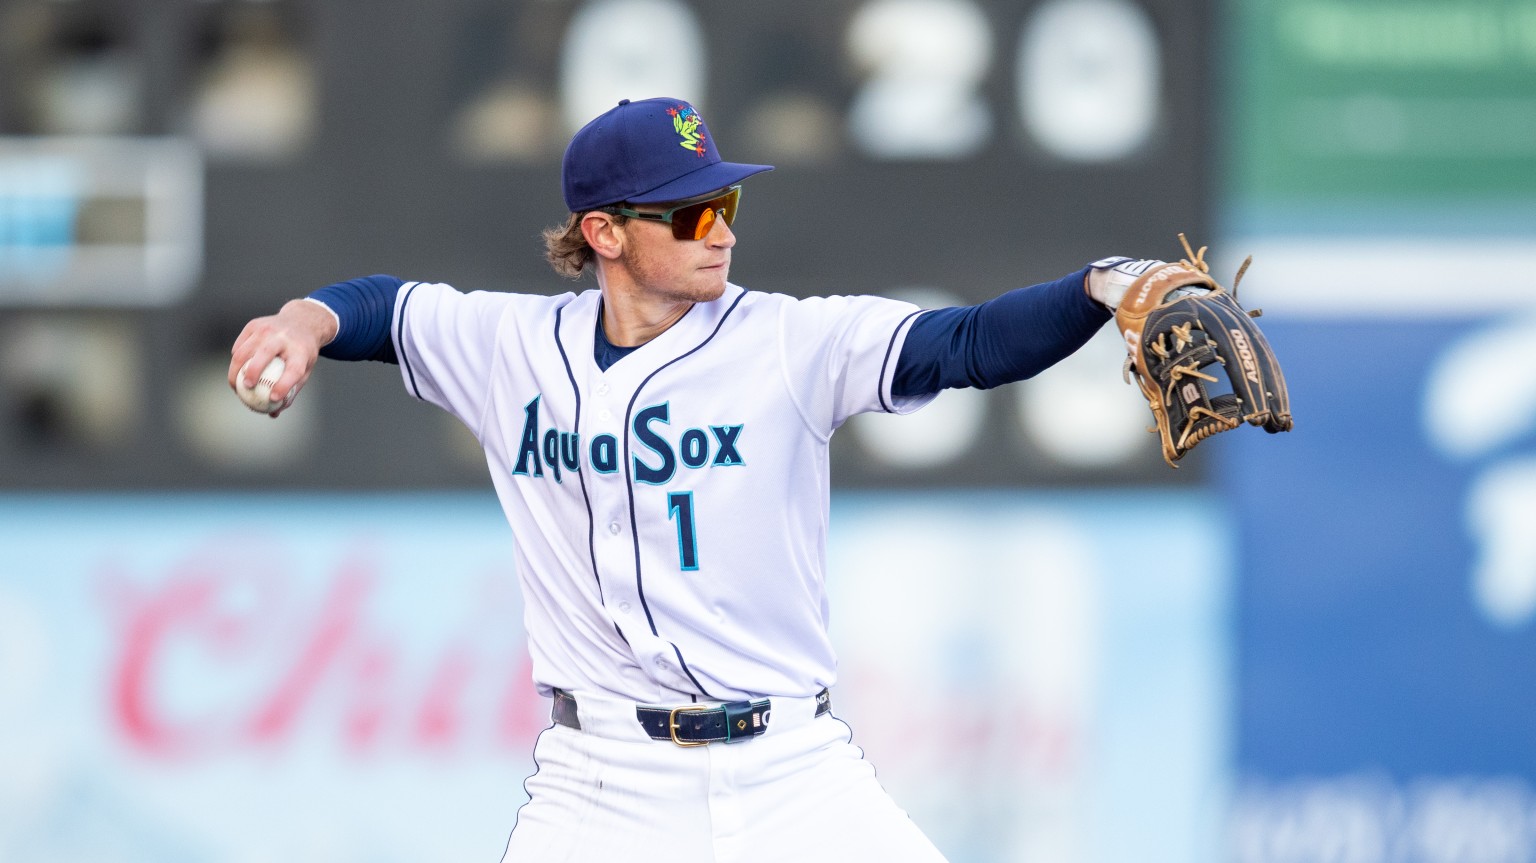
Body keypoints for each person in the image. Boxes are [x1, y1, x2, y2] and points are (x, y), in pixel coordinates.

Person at [229, 96, 1160, 862]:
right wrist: (303, 322)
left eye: (726, 205)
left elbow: (965, 344)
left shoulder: (791, 344)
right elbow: (385, 309)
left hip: (792, 769)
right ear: (603, 232)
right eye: (688, 212)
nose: (719, 231)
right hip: (600, 783)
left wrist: (1100, 286)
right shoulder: (511, 345)